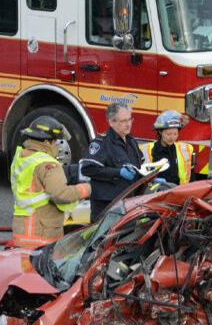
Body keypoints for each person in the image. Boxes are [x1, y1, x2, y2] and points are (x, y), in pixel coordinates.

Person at [9, 118, 90, 248]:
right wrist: (86, 189)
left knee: (24, 267)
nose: (58, 145)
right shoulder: (47, 163)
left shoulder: (22, 157)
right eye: (56, 141)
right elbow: (61, 195)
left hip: (22, 229)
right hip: (41, 233)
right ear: (47, 142)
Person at [82, 102, 143, 221]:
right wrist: (118, 172)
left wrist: (150, 176)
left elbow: (140, 167)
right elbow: (88, 169)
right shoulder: (101, 143)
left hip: (128, 203)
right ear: (111, 122)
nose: (128, 124)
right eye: (123, 121)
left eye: (130, 119)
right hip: (107, 207)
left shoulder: (131, 141)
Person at [140, 110, 205, 185]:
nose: (172, 138)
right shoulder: (147, 150)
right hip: (155, 193)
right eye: (168, 134)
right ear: (160, 132)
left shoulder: (186, 150)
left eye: (175, 134)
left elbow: (191, 176)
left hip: (178, 193)